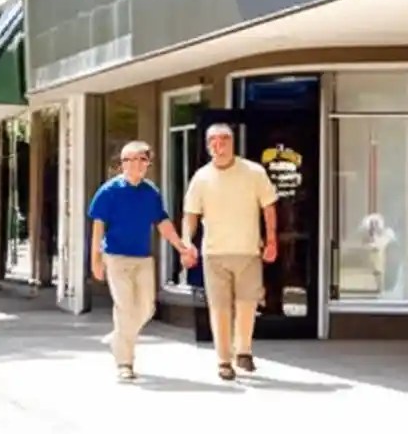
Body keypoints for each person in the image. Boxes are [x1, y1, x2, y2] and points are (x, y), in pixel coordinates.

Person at [89, 140, 197, 381]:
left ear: (148, 163)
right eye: (127, 160)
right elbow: (98, 227)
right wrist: (95, 260)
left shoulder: (151, 193)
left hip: (143, 258)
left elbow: (162, 223)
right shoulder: (108, 192)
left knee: (147, 308)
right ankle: (125, 362)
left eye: (140, 159)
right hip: (116, 257)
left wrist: (181, 246)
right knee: (125, 307)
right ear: (121, 164)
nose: (133, 164)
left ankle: (119, 338)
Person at [183, 123, 278, 381]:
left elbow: (269, 207)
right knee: (220, 308)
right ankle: (224, 360)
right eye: (213, 140)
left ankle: (243, 351)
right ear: (207, 145)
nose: (219, 145)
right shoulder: (201, 178)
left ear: (233, 142)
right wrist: (186, 243)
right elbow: (190, 214)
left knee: (247, 304)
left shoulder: (253, 172)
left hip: (248, 251)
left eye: (224, 139)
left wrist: (271, 240)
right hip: (214, 253)